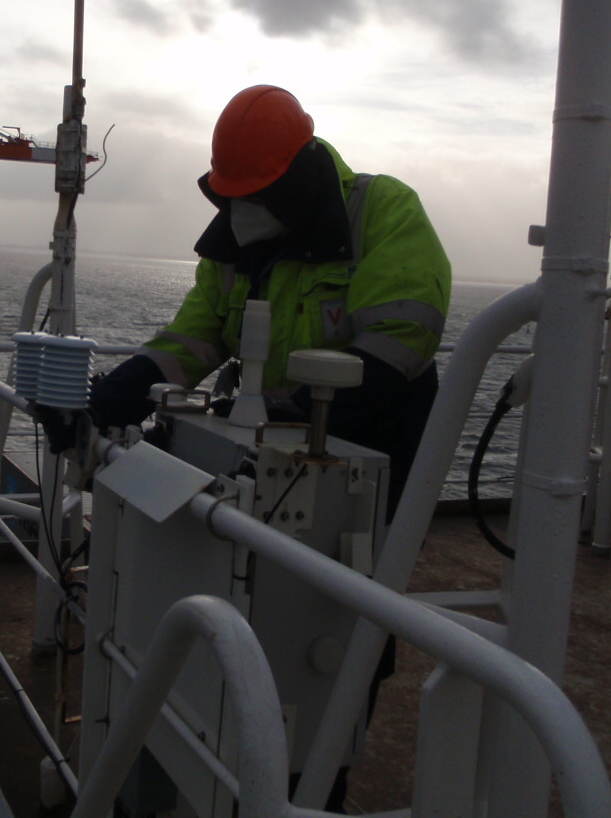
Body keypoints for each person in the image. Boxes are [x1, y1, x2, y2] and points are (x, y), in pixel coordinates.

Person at [89, 85, 451, 811]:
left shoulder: (381, 213)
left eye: (252, 192)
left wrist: (294, 409)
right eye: (230, 194)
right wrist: (123, 386)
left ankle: (315, 788)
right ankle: (226, 765)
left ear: (296, 173)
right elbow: (196, 337)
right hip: (270, 453)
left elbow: (400, 340)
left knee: (344, 628)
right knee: (247, 611)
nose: (239, 208)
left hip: (369, 453)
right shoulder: (234, 245)